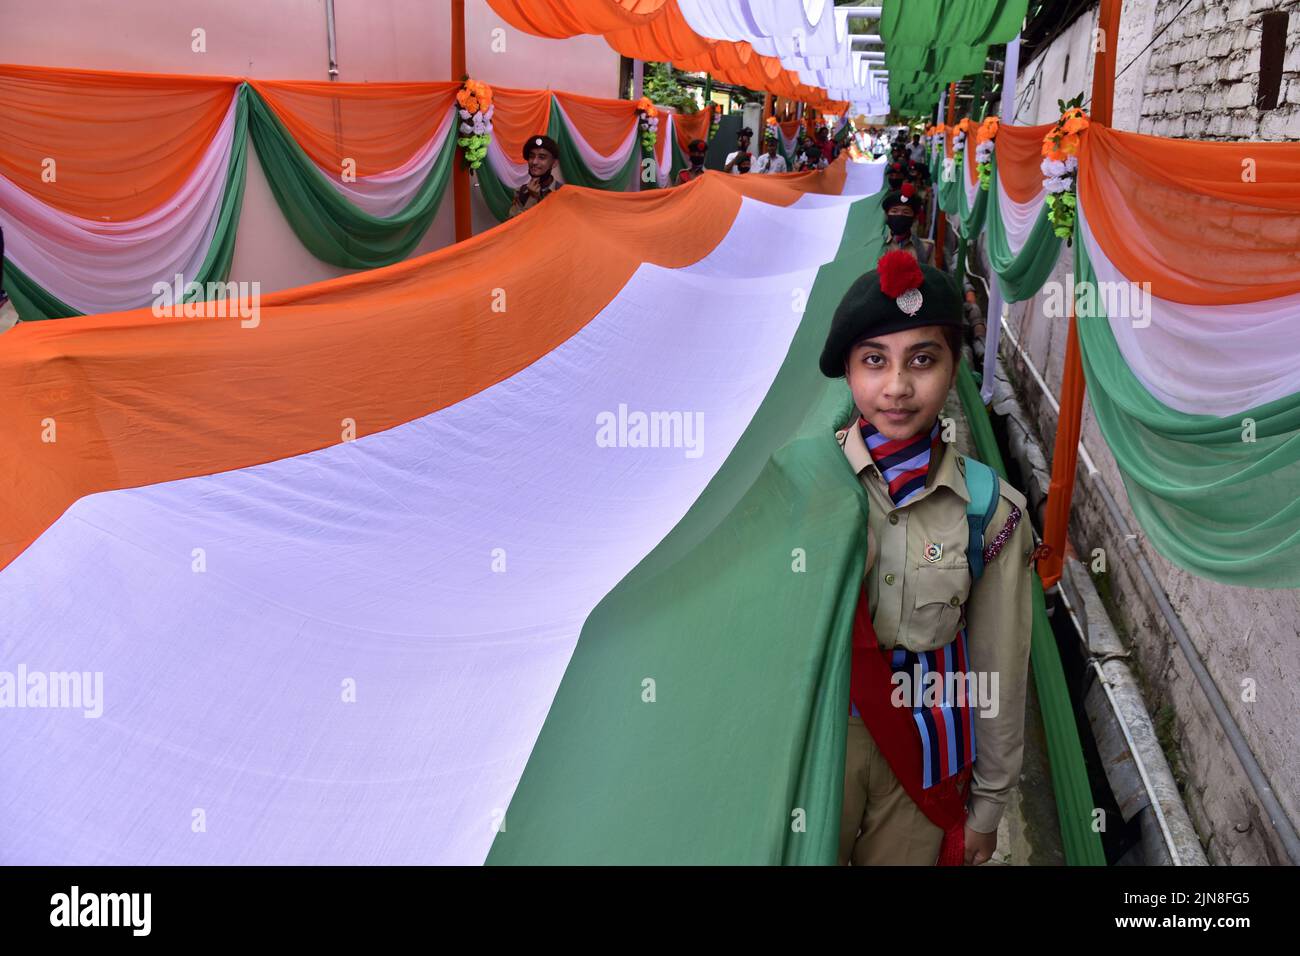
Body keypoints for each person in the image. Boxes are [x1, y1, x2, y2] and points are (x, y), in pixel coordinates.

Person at [818, 249, 1035, 866]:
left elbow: (998, 669)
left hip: (927, 754)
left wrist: (989, 807)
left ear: (953, 365)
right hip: (821, 747)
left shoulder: (991, 510)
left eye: (922, 359)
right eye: (873, 361)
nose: (897, 387)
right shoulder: (809, 488)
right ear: (849, 373)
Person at [507, 135, 563, 219]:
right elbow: (513, 227)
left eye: (542, 157)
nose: (534, 162)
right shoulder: (521, 192)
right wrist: (532, 198)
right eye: (531, 156)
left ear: (554, 163)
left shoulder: (563, 192)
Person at [881, 182, 935, 266]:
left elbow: (930, 277)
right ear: (887, 215)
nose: (899, 215)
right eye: (894, 211)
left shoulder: (926, 248)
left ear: (914, 218)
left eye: (906, 212)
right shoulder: (878, 245)